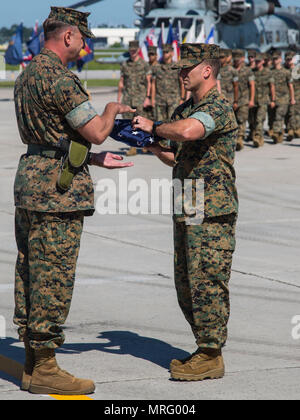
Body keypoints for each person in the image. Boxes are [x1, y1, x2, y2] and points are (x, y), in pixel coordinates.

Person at [13, 6, 135, 395]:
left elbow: (55, 138)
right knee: (54, 276)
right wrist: (114, 109)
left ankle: (33, 362)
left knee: (30, 271)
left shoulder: (27, 74)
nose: (84, 46)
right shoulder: (61, 79)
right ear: (67, 37)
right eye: (83, 39)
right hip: (57, 194)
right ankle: (46, 365)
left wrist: (94, 159)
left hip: (32, 181)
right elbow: (97, 130)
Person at [132, 43, 238, 382]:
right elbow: (178, 154)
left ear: (206, 71)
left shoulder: (216, 107)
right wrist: (150, 144)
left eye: (187, 69)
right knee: (187, 281)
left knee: (207, 279)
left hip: (211, 205)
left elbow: (190, 131)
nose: (181, 74)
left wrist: (154, 125)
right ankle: (203, 346)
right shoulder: (185, 107)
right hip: (188, 199)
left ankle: (211, 353)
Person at [117, 40, 152, 156]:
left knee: (140, 123)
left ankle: (144, 144)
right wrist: (118, 100)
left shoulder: (144, 64)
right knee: (128, 124)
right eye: (131, 50)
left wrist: (148, 97)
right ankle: (132, 147)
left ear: (138, 50)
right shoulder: (125, 64)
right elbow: (121, 82)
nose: (133, 52)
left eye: (134, 50)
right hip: (127, 99)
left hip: (140, 99)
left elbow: (149, 82)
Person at [151, 44, 185, 146]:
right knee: (160, 123)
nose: (165, 54)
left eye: (167, 52)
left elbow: (182, 83)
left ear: (172, 53)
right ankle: (162, 144)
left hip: (174, 99)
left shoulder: (176, 67)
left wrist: (182, 98)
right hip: (160, 99)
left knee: (173, 123)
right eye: (163, 52)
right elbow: (153, 84)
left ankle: (173, 144)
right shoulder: (157, 67)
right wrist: (152, 98)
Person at [249, 52, 275, 147]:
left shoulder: (268, 72)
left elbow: (272, 86)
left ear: (263, 61)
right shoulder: (252, 72)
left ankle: (257, 137)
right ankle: (255, 135)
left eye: (259, 61)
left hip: (264, 100)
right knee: (252, 120)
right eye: (256, 61)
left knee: (259, 120)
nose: (257, 63)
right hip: (254, 100)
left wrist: (273, 100)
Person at [270, 50, 295, 144]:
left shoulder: (286, 72)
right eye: (273, 59)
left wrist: (292, 98)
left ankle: (276, 133)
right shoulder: (270, 71)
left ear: (280, 59)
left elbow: (290, 86)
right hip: (273, 98)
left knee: (279, 116)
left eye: (276, 59)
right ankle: (279, 135)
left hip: (284, 98)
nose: (274, 60)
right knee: (273, 117)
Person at [232, 49, 255, 151]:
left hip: (244, 100)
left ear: (242, 59)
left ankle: (240, 139)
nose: (237, 61)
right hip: (231, 100)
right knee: (232, 121)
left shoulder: (247, 70)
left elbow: (252, 85)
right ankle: (234, 139)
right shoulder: (230, 69)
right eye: (235, 59)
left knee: (242, 120)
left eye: (239, 59)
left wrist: (251, 100)